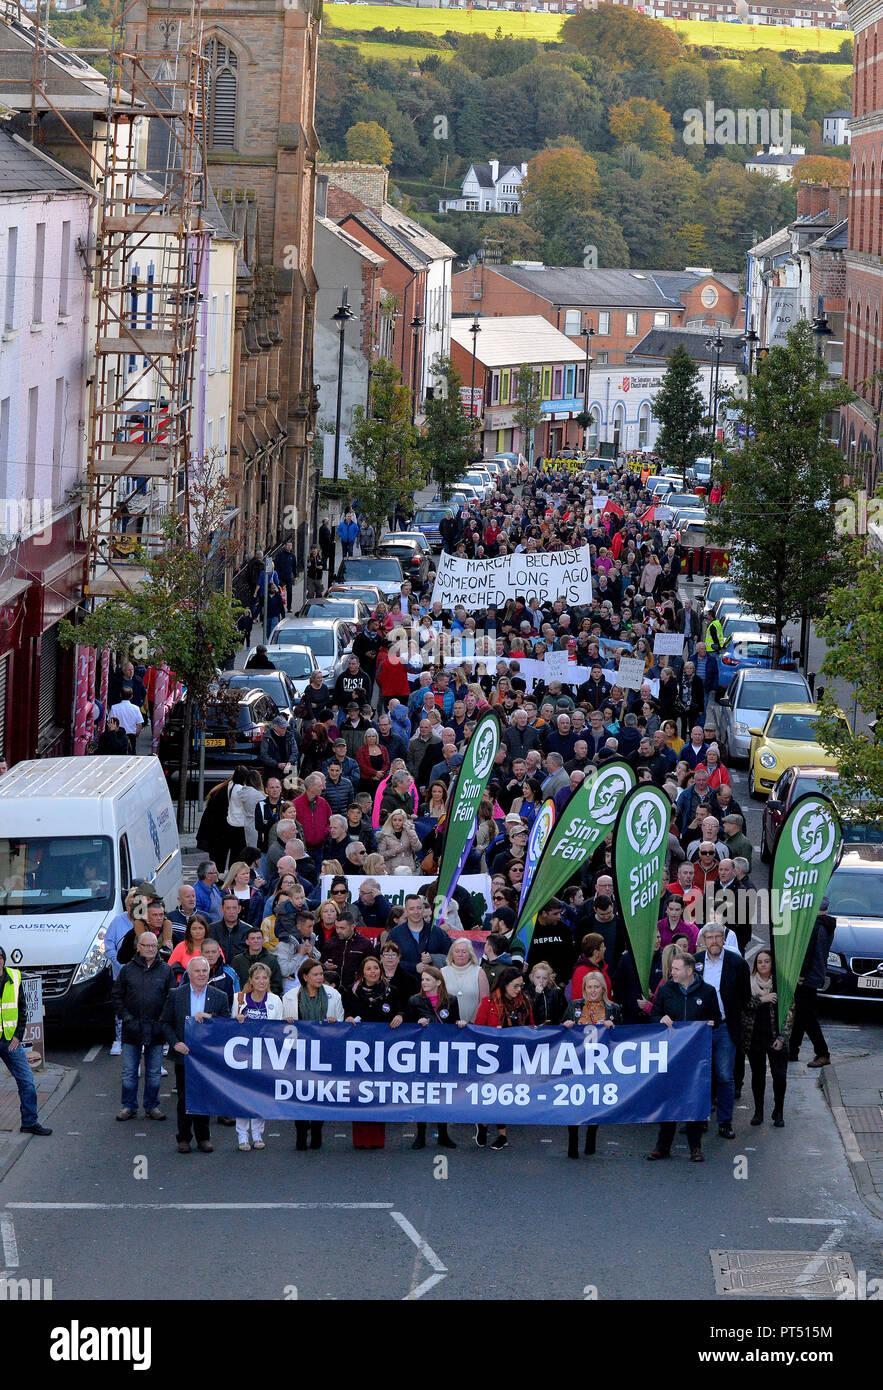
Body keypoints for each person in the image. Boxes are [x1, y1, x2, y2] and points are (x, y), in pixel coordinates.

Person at [648, 952, 720, 1162]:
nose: (672, 973)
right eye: (672, 969)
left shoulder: (708, 992)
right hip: (671, 1055)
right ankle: (663, 1146)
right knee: (669, 1100)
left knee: (694, 1100)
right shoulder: (665, 989)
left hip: (696, 1057)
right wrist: (660, 1018)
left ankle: (695, 1147)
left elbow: (716, 1018)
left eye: (676, 969)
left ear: (689, 971)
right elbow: (653, 1014)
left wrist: (710, 1024)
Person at [161, 955, 230, 1154]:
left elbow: (226, 1024)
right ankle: (183, 1138)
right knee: (184, 1098)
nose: (201, 974)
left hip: (207, 1057)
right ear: (189, 974)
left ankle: (203, 1138)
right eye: (197, 971)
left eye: (204, 971)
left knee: (203, 1096)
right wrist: (175, 1043)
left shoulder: (219, 996)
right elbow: (164, 1022)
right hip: (184, 1055)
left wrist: (211, 1018)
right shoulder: (176, 995)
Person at [343, 955, 405, 1150]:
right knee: (359, 1092)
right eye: (369, 969)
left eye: (376, 968)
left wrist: (400, 1015)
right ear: (362, 972)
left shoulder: (391, 991)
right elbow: (345, 1013)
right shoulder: (351, 992)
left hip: (384, 1051)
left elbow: (403, 1010)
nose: (373, 972)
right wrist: (348, 1018)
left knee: (378, 1092)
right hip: (359, 1052)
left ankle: (377, 1139)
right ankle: (360, 1139)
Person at [694, 924, 751, 1140]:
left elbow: (745, 997)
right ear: (704, 940)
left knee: (725, 1076)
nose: (715, 941)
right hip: (700, 1029)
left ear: (725, 939)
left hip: (726, 1027)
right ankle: (699, 1119)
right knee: (700, 1076)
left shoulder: (737, 963)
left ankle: (725, 1122)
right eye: (710, 937)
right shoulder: (696, 961)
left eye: (719, 937)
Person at [281, 960, 344, 1151]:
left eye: (321, 974)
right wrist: (287, 1021)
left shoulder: (333, 995)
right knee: (300, 1093)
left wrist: (335, 1021)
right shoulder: (291, 997)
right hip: (298, 1052)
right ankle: (301, 1132)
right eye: (315, 974)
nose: (320, 978)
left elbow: (341, 1020)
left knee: (320, 1093)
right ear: (305, 976)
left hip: (324, 1051)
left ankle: (317, 1132)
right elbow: (282, 1026)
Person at [562, 971, 621, 1158]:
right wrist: (566, 1025)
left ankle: (591, 1138)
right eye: (590, 987)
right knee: (574, 1102)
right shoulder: (575, 1006)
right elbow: (560, 1028)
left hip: (601, 1064)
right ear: (584, 989)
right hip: (577, 1063)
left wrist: (613, 1028)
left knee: (595, 1101)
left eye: (597, 986)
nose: (593, 990)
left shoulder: (613, 1008)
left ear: (603, 988)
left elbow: (624, 1038)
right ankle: (572, 1142)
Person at [474, 965, 533, 1150]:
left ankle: (488, 1127)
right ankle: (496, 1131)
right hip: (492, 1057)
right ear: (505, 984)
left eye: (521, 986)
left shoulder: (525, 1002)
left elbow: (530, 1026)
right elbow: (478, 1029)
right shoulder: (489, 1002)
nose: (519, 990)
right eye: (515, 986)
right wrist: (493, 1034)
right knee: (494, 1095)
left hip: (514, 1058)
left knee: (505, 1096)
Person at [407, 965, 462, 1150]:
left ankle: (443, 1134)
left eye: (428, 979)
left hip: (444, 1053)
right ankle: (420, 1134)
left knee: (443, 1094)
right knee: (422, 1094)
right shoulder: (415, 1001)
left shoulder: (451, 1000)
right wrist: (417, 1024)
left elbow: (454, 1022)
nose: (424, 982)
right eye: (422, 979)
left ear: (438, 981)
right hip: (422, 1053)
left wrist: (460, 1024)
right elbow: (407, 1028)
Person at [0, 945, 52, 1136]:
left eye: (0, 957)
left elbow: (22, 1009)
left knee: (27, 1082)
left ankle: (29, 1123)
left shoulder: (15, 977)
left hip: (10, 1041)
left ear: (4, 959)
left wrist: (18, 1035)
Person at [232, 962, 284, 1151]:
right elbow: (229, 1028)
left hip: (265, 1056)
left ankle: (257, 1134)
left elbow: (278, 1029)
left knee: (260, 1095)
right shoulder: (239, 998)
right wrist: (237, 1020)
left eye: (265, 978)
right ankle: (242, 1135)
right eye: (257, 978)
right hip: (243, 1056)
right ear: (251, 980)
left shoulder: (275, 1000)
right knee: (243, 1095)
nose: (261, 981)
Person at [743, 948, 790, 1128]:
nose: (763, 964)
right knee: (758, 1075)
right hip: (755, 1036)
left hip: (776, 1037)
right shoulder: (749, 983)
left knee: (779, 1076)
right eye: (759, 961)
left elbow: (790, 1011)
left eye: (766, 961)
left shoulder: (781, 984)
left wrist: (782, 1037)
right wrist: (762, 999)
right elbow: (744, 1004)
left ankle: (778, 1112)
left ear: (772, 964)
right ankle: (758, 1111)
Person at [788, 903, 836, 1068]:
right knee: (801, 1013)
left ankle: (823, 1053)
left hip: (807, 976)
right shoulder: (827, 924)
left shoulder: (816, 926)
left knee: (807, 1015)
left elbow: (808, 952)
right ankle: (792, 1050)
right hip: (815, 974)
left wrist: (801, 973)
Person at [386, 893, 452, 988]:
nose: (416, 912)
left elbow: (450, 957)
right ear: (406, 911)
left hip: (434, 988)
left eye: (419, 908)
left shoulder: (437, 933)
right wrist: (414, 967)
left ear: (423, 909)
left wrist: (433, 958)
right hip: (404, 988)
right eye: (412, 909)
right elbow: (388, 961)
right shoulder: (395, 934)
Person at [168, 915, 210, 981]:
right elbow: (169, 970)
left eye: (200, 928)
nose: (197, 931)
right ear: (189, 931)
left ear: (205, 929)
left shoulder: (213, 946)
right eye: (194, 929)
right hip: (183, 986)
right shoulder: (181, 947)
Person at [525, 961, 567, 1026]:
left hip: (552, 1030)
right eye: (538, 977)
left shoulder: (556, 992)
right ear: (532, 977)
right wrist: (537, 994)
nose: (541, 981)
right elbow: (528, 1013)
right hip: (534, 1031)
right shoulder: (526, 993)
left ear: (548, 979)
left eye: (544, 978)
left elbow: (563, 1013)